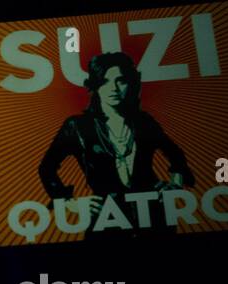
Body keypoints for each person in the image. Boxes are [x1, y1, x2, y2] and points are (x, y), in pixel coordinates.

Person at [38, 51, 194, 238]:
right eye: (105, 81)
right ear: (95, 85)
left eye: (120, 81)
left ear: (130, 83)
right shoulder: (77, 126)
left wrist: (175, 184)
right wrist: (70, 203)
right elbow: (47, 168)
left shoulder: (143, 122)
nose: (113, 88)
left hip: (153, 218)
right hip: (107, 219)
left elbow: (176, 155)